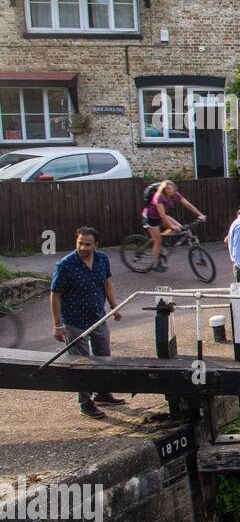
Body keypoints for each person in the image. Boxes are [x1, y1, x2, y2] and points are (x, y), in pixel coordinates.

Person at [50, 227, 125, 419]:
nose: (83, 247)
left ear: (96, 245)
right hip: (74, 321)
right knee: (81, 364)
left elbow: (106, 283)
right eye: (80, 243)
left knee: (103, 356)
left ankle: (103, 393)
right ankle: (86, 403)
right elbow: (55, 295)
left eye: (87, 244)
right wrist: (57, 325)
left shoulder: (102, 259)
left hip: (98, 317)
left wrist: (114, 307)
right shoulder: (65, 265)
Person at [142, 179, 206, 273]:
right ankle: (155, 264)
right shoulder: (158, 197)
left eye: (171, 188)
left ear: (174, 188)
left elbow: (187, 205)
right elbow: (162, 215)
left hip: (161, 217)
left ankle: (162, 242)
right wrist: (172, 226)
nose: (169, 190)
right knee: (158, 240)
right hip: (150, 218)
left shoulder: (175, 195)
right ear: (163, 189)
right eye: (167, 188)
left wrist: (200, 214)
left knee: (180, 228)